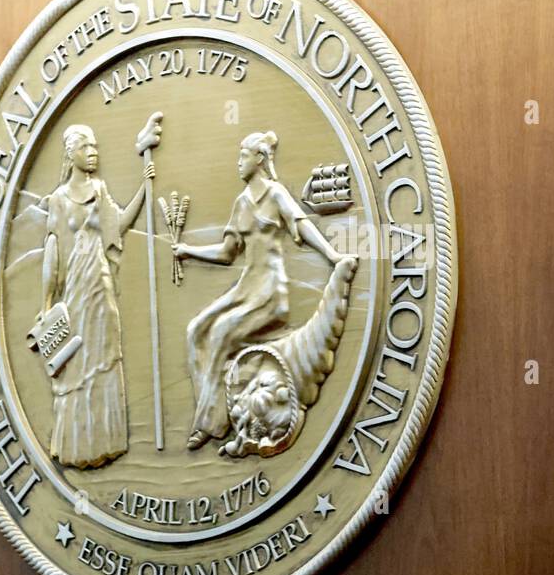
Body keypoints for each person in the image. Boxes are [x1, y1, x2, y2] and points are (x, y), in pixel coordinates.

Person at [172, 130, 356, 451]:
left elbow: (302, 226)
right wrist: (188, 250)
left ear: (259, 159)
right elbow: (228, 253)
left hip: (269, 293)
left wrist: (333, 256)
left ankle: (212, 424)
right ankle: (214, 407)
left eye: (243, 156)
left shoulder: (276, 194)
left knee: (219, 336)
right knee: (195, 331)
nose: (238, 162)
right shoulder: (242, 202)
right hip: (245, 289)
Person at [35, 124, 151, 468]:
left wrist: (145, 185)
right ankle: (77, 447)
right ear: (71, 154)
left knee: (105, 358)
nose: (94, 152)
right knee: (76, 365)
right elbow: (52, 254)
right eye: (87, 147)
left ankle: (104, 442)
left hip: (101, 290)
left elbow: (120, 225)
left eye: (96, 147)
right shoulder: (57, 200)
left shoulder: (100, 191)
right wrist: (45, 305)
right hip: (76, 292)